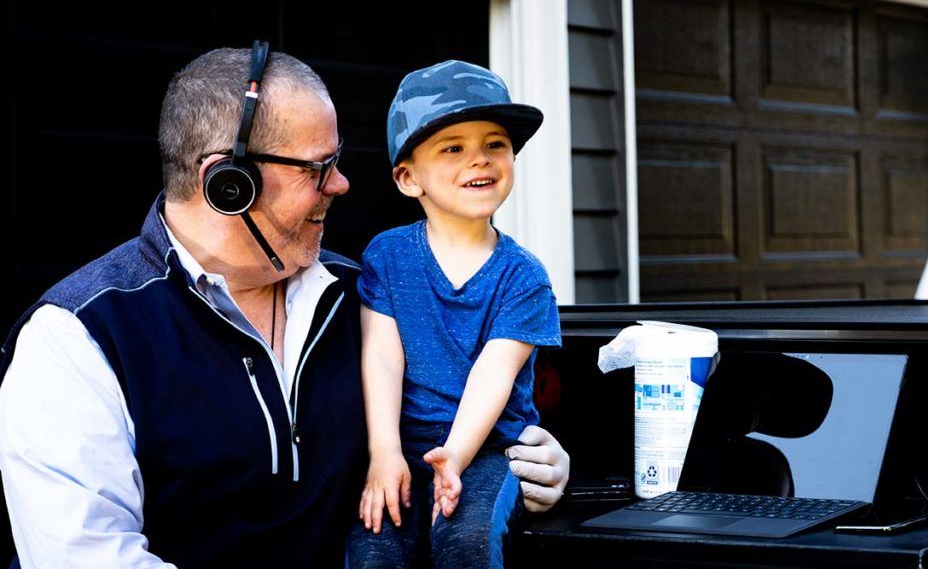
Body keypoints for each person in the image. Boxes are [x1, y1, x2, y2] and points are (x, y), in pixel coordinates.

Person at [0, 46, 569, 567]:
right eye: (318, 167)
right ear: (230, 183)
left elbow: (458, 414)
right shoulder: (79, 338)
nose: (343, 184)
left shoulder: (362, 292)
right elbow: (86, 558)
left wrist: (537, 464)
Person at [346, 60, 561, 569]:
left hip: (487, 451)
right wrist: (383, 451)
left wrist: (456, 458)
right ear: (407, 177)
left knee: (464, 542)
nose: (480, 160)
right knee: (373, 545)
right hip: (400, 442)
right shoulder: (388, 256)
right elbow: (381, 357)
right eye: (453, 148)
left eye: (495, 144)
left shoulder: (523, 275)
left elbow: (495, 375)